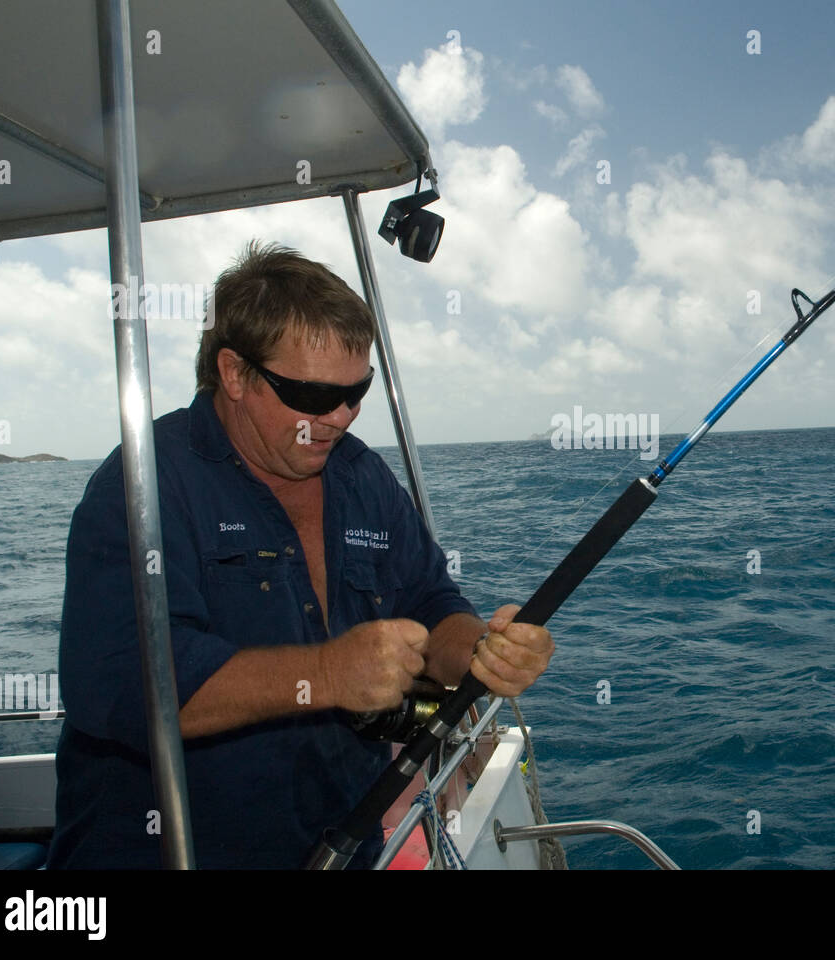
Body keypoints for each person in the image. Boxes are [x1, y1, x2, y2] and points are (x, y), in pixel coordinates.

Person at [47, 240, 553, 869]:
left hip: (340, 845)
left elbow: (431, 602)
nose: (341, 417)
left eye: (357, 391)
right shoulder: (146, 485)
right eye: (313, 396)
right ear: (235, 373)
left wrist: (481, 651)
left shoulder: (362, 476)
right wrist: (328, 675)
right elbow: (117, 686)